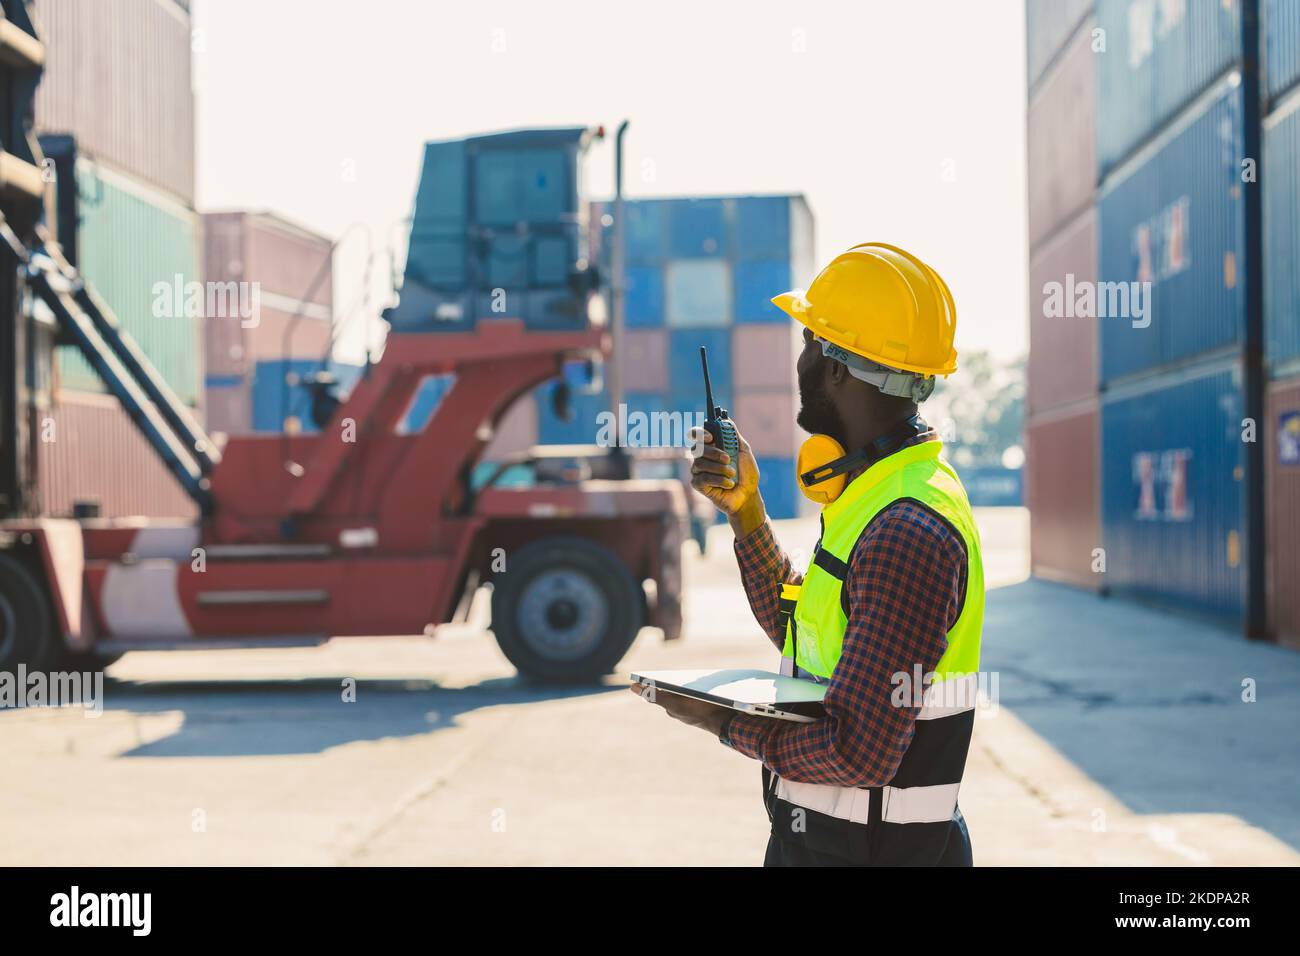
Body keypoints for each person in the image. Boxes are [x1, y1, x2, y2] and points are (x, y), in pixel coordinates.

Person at [632, 243, 985, 866]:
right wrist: (747, 512)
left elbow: (859, 754)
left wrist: (716, 720)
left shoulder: (905, 529)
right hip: (840, 845)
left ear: (837, 368)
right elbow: (806, 631)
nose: (799, 360)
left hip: (873, 854)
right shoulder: (880, 495)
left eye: (808, 342)